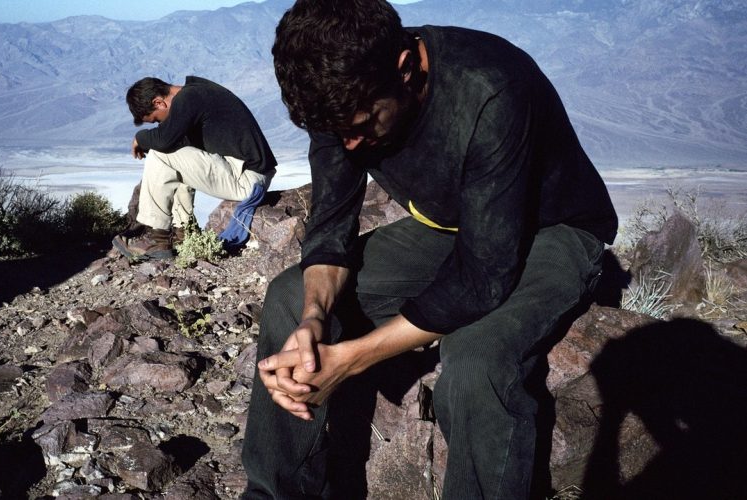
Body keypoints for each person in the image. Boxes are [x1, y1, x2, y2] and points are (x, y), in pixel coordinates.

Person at [241, 0, 618, 498]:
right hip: (451, 226)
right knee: (291, 296)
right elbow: (331, 223)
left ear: (404, 68)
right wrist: (314, 317)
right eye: (338, 132)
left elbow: (482, 280)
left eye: (362, 125)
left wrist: (350, 360)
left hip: (554, 228)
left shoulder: (489, 88)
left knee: (477, 357)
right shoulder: (335, 91)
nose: (350, 145)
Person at [114, 76, 277, 260]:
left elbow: (164, 139)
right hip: (248, 174)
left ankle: (158, 239)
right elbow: (176, 144)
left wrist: (140, 138)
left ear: (159, 103)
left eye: (155, 120)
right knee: (174, 154)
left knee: (161, 153)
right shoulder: (197, 93)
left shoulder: (190, 97)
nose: (160, 124)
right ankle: (183, 232)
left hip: (248, 179)